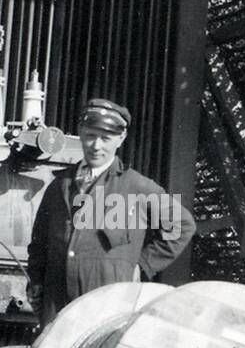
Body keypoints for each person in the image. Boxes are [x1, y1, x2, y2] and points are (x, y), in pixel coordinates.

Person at [27, 98, 195, 326]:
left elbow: (183, 225)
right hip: (57, 304)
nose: (96, 146)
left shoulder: (138, 187)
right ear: (80, 132)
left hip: (108, 305)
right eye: (90, 136)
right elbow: (39, 243)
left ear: (121, 139)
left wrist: (144, 264)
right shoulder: (59, 185)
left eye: (106, 139)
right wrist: (36, 280)